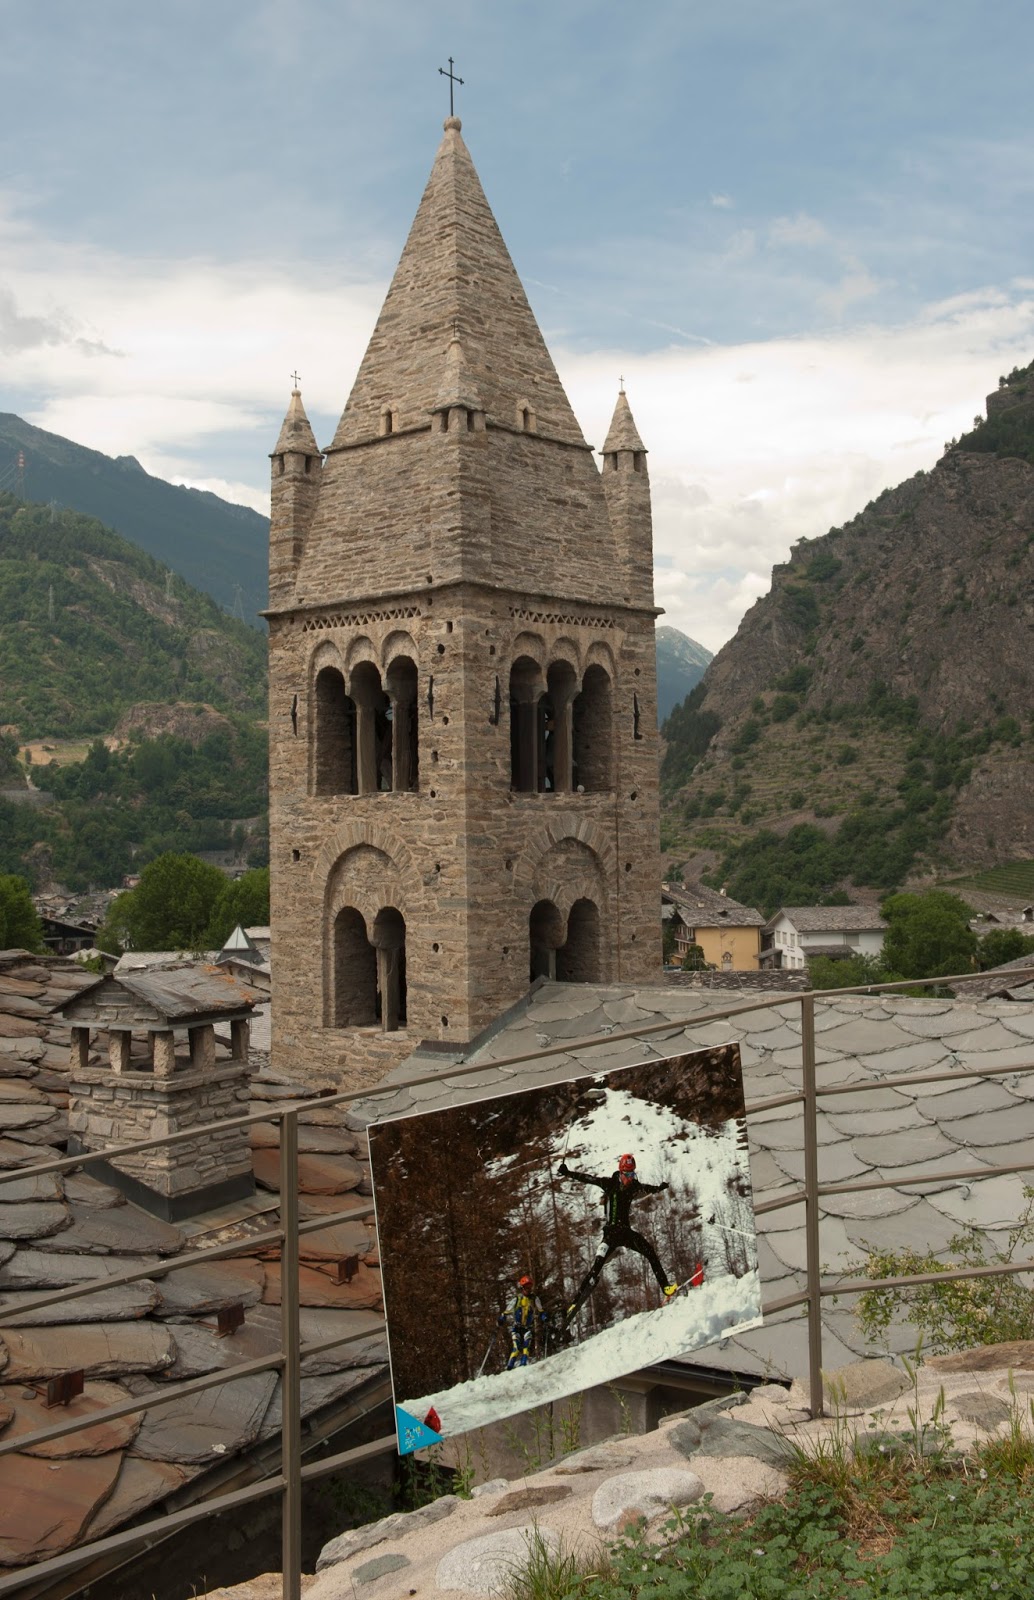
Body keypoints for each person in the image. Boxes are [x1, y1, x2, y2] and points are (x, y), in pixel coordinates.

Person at [557, 1152, 677, 1322]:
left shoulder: (634, 1186)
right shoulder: (610, 1184)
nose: (630, 1178)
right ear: (621, 1172)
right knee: (596, 1267)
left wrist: (659, 1187)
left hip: (626, 1233)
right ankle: (573, 1304)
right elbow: (588, 1178)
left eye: (632, 1174)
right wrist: (567, 1172)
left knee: (649, 1251)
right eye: (627, 1174)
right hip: (611, 1234)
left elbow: (647, 1188)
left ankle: (666, 1288)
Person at [498, 1274, 548, 1368]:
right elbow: (507, 1311)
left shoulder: (534, 1299)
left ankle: (523, 1366)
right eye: (526, 1287)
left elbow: (541, 1310)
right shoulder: (517, 1299)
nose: (528, 1290)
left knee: (526, 1347)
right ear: (522, 1288)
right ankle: (509, 1367)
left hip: (527, 1328)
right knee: (516, 1348)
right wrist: (502, 1318)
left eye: (530, 1287)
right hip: (517, 1327)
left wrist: (544, 1317)